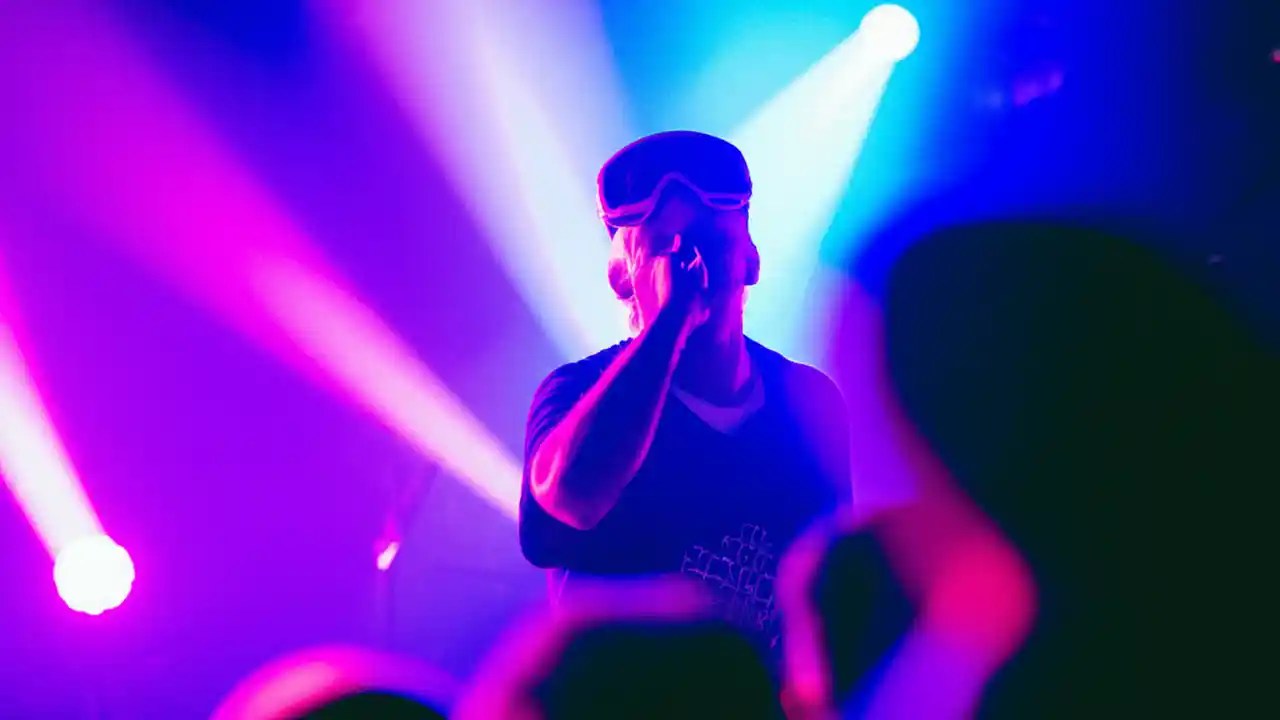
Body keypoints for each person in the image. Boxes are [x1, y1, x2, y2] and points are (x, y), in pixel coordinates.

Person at [518, 130, 852, 661]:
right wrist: (670, 322)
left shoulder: (806, 402)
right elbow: (568, 502)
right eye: (663, 249)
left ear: (751, 260)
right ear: (619, 275)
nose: (692, 267)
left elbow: (837, 594)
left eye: (713, 244)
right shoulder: (575, 394)